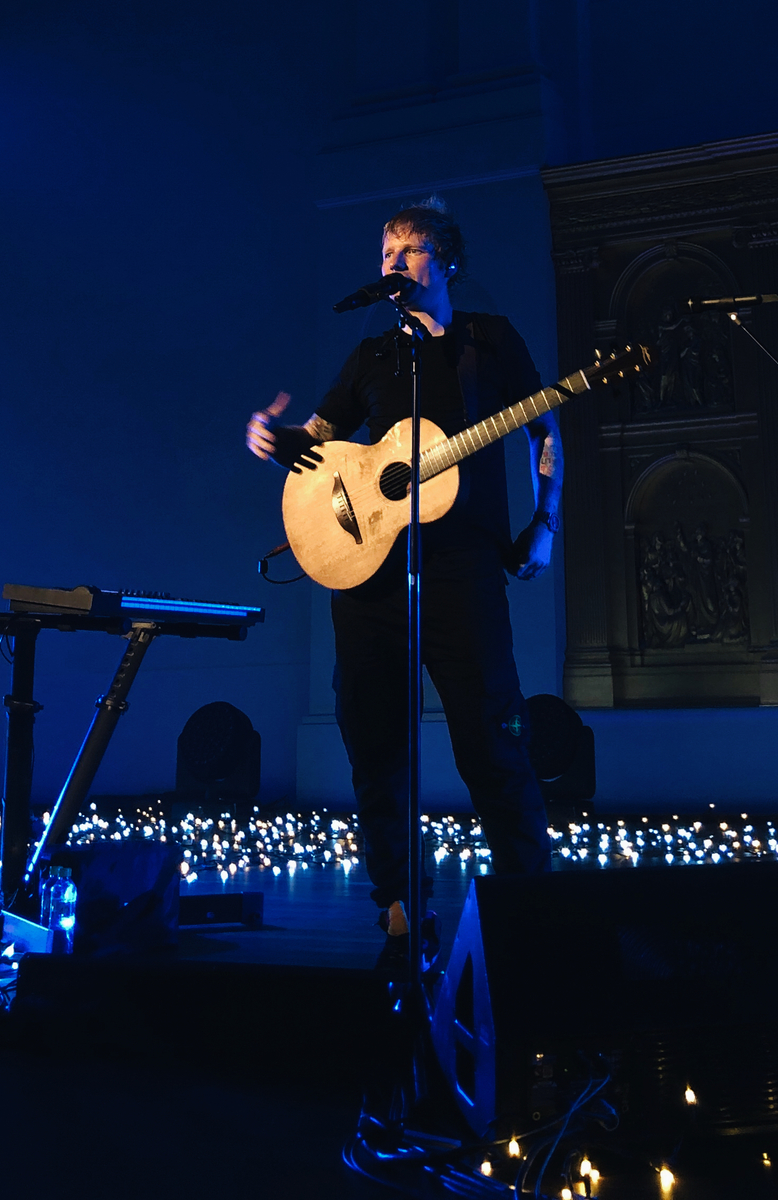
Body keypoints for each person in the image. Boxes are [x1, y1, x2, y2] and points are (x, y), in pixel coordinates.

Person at [246, 199, 560, 976]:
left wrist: (546, 524)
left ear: (447, 262)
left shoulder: (490, 342)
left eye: (411, 249)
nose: (393, 262)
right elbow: (319, 449)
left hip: (463, 571)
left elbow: (547, 430)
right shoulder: (372, 359)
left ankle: (532, 906)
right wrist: (275, 440)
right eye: (387, 250)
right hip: (368, 577)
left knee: (492, 740)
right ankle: (396, 907)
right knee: (375, 744)